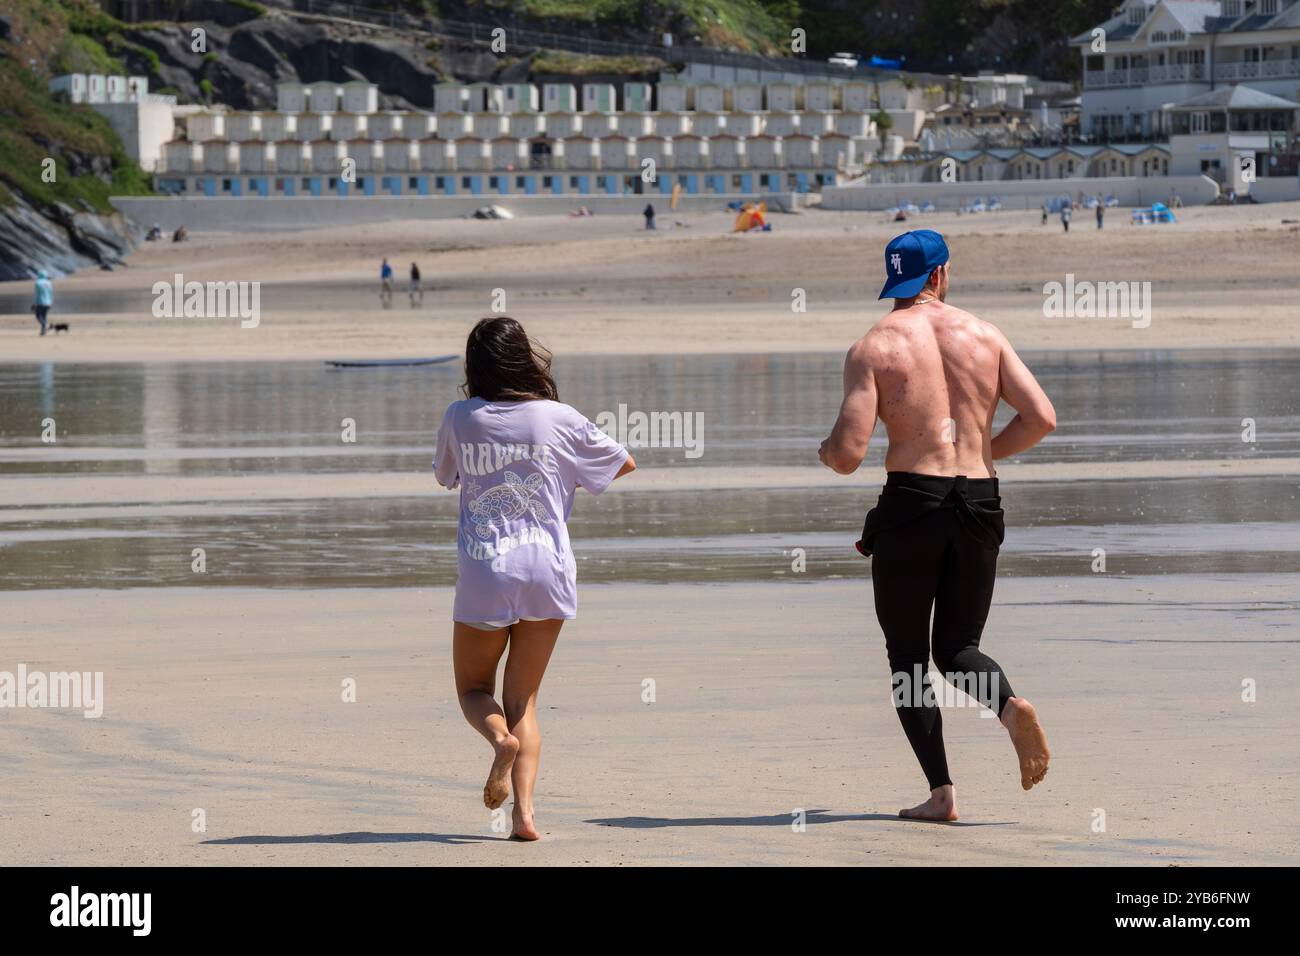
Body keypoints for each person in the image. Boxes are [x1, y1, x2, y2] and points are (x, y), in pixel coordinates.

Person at [818, 229, 1053, 822]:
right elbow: (1041, 417)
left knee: (908, 659)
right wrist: (982, 453)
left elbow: (847, 454)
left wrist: (824, 449)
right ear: (941, 275)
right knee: (957, 648)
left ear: (896, 281)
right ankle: (1009, 707)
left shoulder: (873, 347)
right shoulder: (985, 334)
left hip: (912, 505)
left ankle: (942, 793)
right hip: (979, 500)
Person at [433, 316, 636, 841]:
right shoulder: (559, 417)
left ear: (475, 367)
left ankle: (499, 739)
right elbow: (622, 464)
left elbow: (446, 475)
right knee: (524, 699)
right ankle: (524, 818)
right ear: (526, 358)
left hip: (485, 570)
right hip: (547, 568)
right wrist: (558, 470)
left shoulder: (460, 416)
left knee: (474, 688)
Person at [32, 269, 53, 336]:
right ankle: (43, 331)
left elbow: (37, 294)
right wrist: (51, 302)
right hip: (48, 302)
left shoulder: (38, 282)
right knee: (44, 316)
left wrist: (35, 303)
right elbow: (50, 293)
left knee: (38, 315)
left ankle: (45, 325)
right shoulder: (49, 283)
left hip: (40, 301)